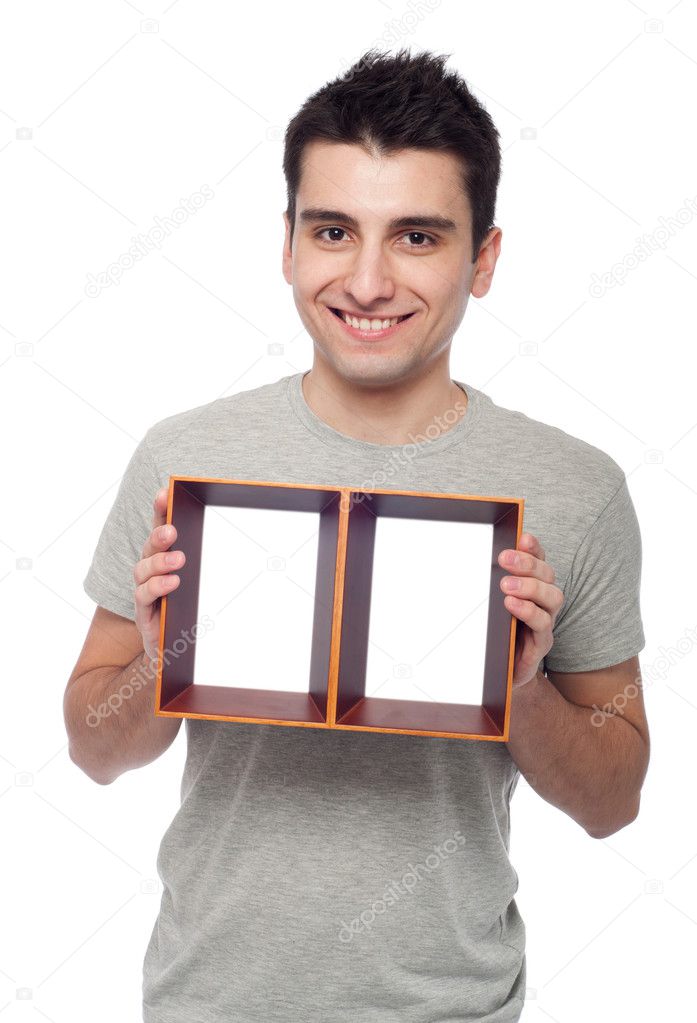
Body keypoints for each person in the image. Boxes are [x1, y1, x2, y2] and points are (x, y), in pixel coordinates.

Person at [64, 47, 650, 1023]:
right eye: (334, 230)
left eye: (417, 236)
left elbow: (613, 800)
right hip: (206, 1002)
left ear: (484, 258)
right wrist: (164, 657)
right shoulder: (185, 456)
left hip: (449, 1008)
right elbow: (91, 749)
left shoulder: (574, 490)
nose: (368, 281)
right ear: (287, 244)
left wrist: (517, 689)